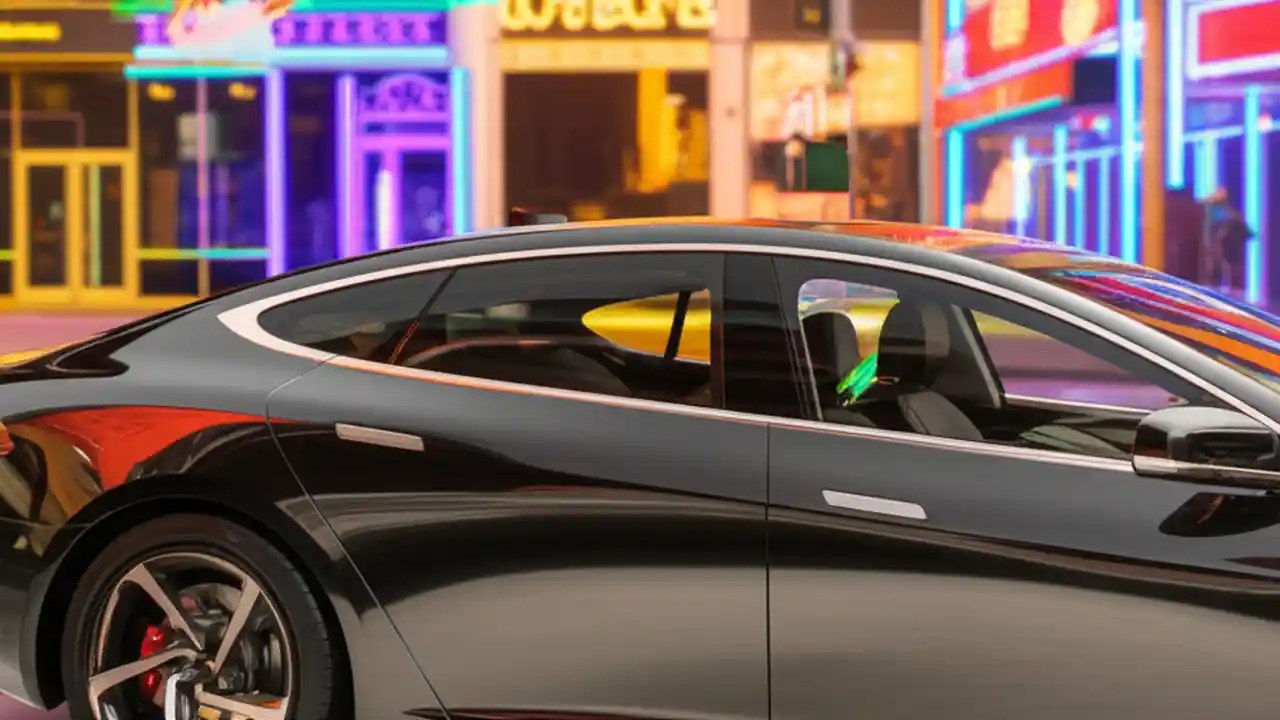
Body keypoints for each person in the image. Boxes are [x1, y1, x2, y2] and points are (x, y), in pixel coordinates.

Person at [1203, 188, 1255, 299]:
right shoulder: (1211, 210)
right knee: (1219, 268)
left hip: (1230, 249)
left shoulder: (1230, 215)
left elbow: (1248, 233)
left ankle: (1230, 290)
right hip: (1218, 246)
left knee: (1230, 269)